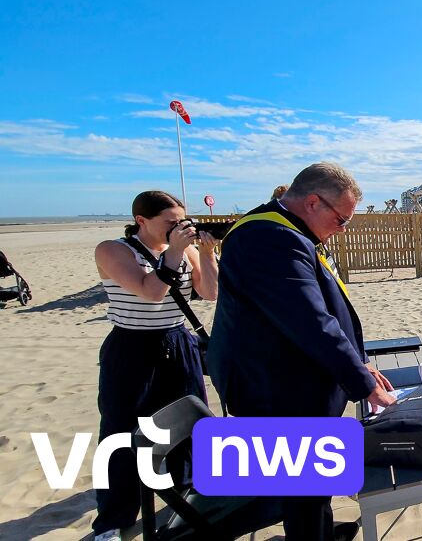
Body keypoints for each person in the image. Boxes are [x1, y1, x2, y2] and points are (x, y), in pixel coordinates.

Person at [209, 163, 393, 540]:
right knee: (304, 487)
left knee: (312, 483)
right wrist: (363, 383)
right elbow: (312, 322)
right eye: (341, 219)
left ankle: (319, 529)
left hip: (290, 378)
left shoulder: (288, 229)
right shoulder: (270, 237)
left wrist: (360, 363)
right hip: (276, 390)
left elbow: (325, 310)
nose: (342, 229)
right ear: (312, 202)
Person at [91, 191, 218, 540]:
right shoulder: (113, 250)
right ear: (141, 221)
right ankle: (113, 519)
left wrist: (206, 254)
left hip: (177, 340)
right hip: (131, 346)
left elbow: (210, 292)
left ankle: (186, 493)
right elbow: (151, 292)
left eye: (182, 221)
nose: (179, 228)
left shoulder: (183, 249)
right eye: (170, 222)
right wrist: (174, 251)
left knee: (190, 425)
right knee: (121, 433)